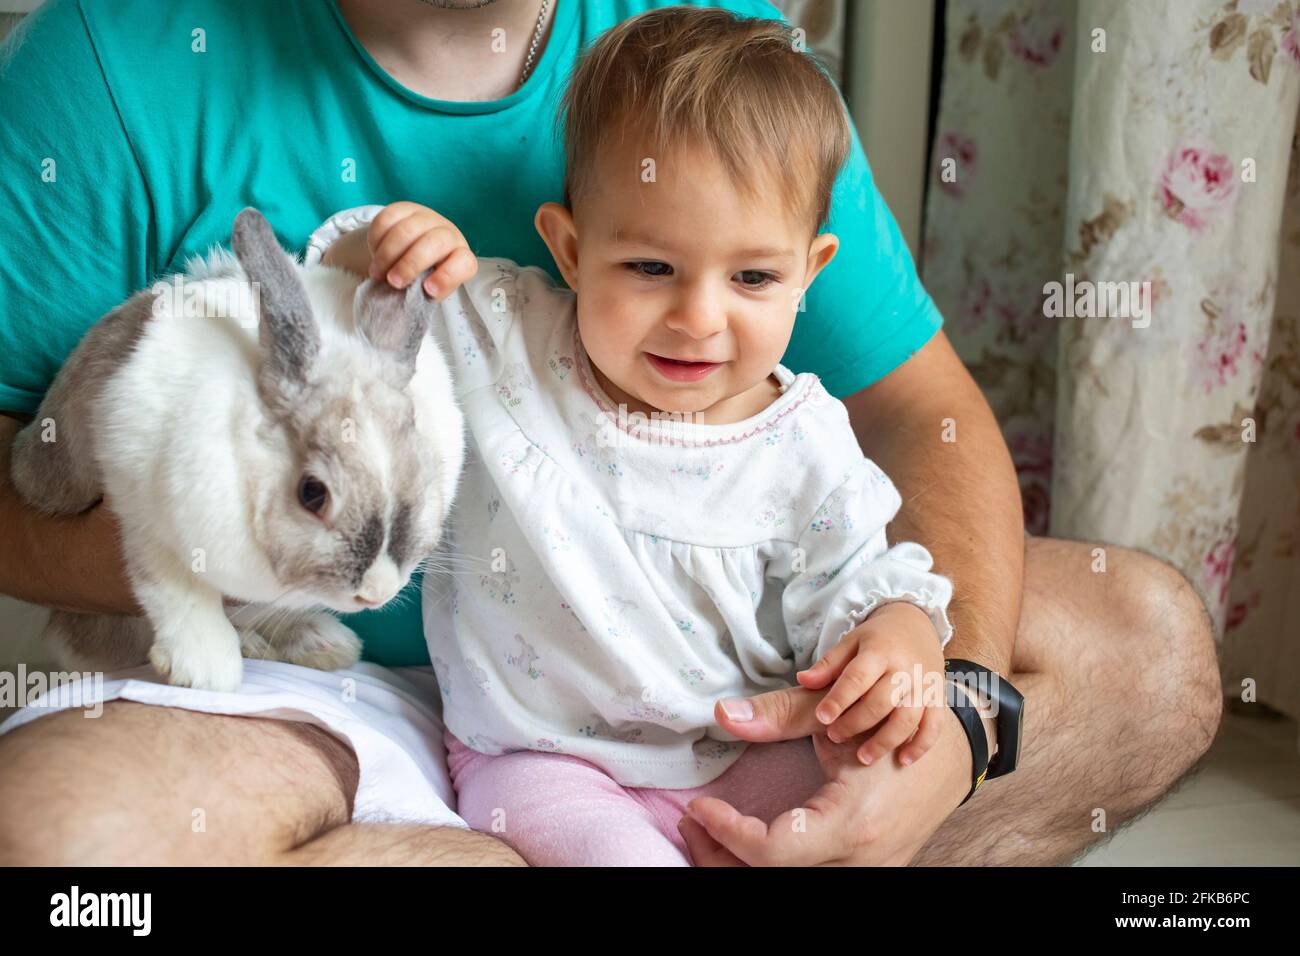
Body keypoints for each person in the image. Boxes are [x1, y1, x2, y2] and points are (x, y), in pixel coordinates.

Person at [0, 0, 1221, 867]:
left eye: (746, 280)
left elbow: (920, 413)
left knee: (1148, 645)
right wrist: (259, 533)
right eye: (645, 267)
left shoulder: (710, 61)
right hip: (301, 689)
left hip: (709, 687)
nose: (698, 315)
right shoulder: (106, 55)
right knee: (58, 842)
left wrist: (951, 717)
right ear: (571, 246)